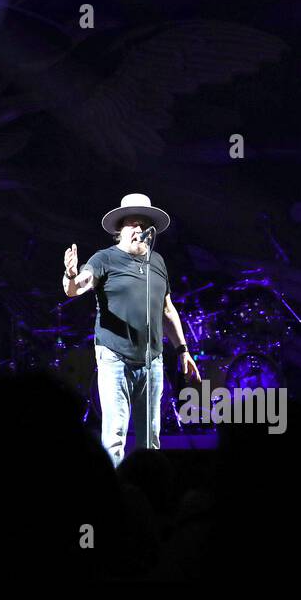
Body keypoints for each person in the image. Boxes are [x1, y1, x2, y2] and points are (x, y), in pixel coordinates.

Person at [63, 194, 200, 464]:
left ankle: (149, 496)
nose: (138, 229)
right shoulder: (105, 259)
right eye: (132, 223)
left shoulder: (158, 262)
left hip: (152, 360)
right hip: (114, 357)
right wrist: (70, 275)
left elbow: (167, 308)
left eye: (144, 224)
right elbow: (76, 287)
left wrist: (183, 350)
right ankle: (112, 498)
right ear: (120, 230)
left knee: (151, 437)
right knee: (114, 435)